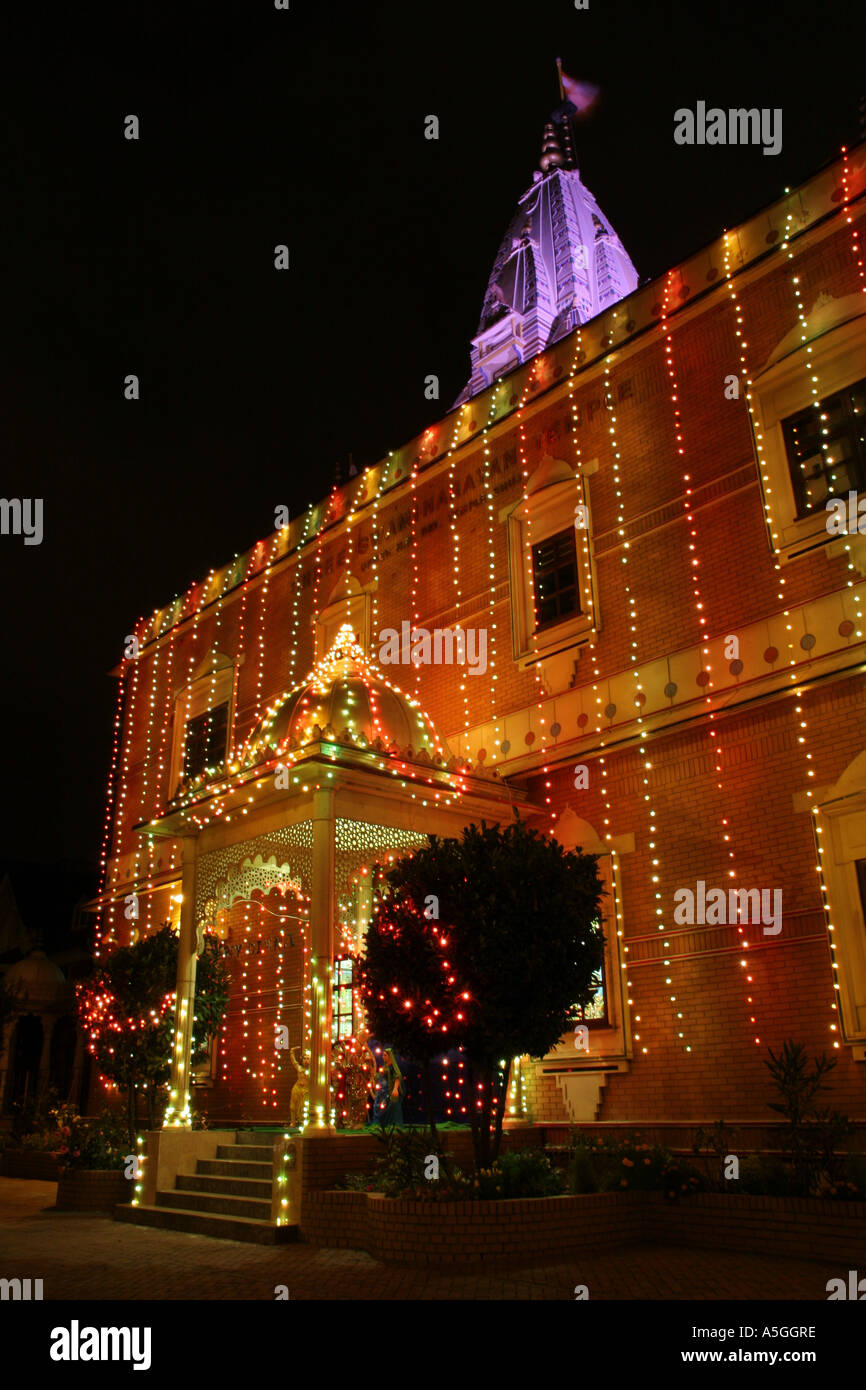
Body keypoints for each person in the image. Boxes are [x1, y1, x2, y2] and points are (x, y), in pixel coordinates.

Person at [368, 1043, 404, 1127]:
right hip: (382, 1091)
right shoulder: (384, 1066)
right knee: (379, 1106)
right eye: (383, 1055)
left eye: (385, 1055)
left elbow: (397, 1077)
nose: (383, 1057)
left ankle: (392, 1123)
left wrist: (395, 1089)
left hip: (389, 1090)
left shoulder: (392, 1067)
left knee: (390, 1107)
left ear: (390, 1056)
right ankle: (380, 1122)